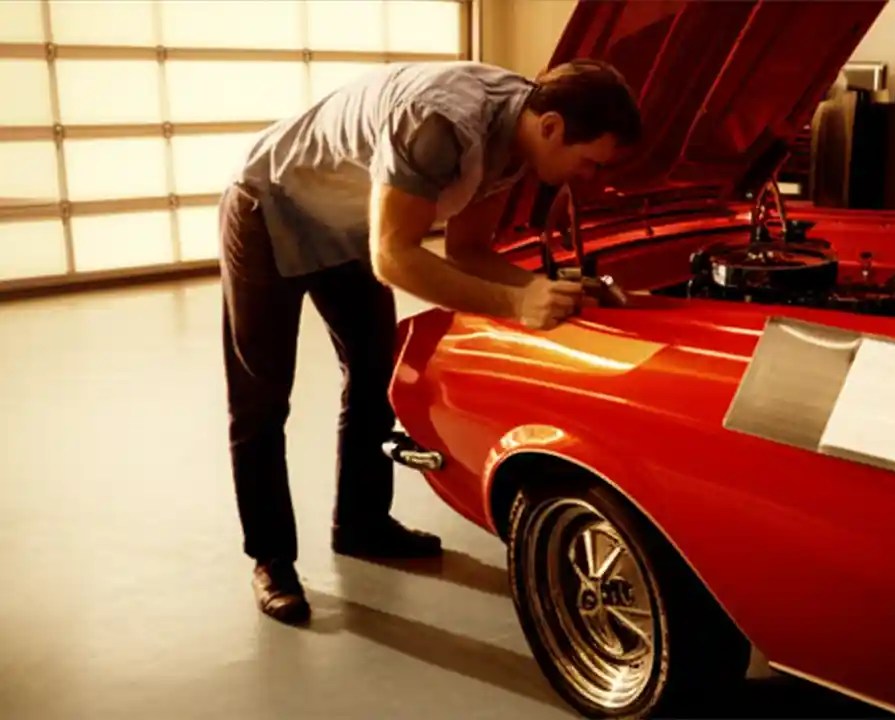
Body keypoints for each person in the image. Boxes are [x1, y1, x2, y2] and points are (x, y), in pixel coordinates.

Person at [218, 58, 642, 625]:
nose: (586, 179)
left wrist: (547, 287)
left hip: (348, 228)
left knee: (376, 372)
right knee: (262, 397)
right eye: (588, 163)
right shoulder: (440, 125)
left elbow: (468, 252)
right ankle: (270, 559)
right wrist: (519, 304)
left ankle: (362, 523)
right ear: (553, 128)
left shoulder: (519, 137)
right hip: (269, 205)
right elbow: (393, 258)